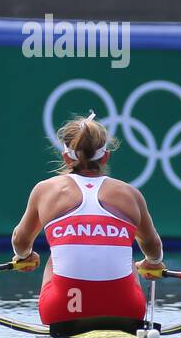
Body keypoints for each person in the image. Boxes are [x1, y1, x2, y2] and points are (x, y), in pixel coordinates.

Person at [10, 113, 164, 324]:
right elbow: (153, 245)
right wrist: (153, 263)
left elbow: (20, 240)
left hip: (62, 310)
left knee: (54, 258)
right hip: (126, 309)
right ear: (105, 156)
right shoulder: (130, 194)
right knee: (129, 257)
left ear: (65, 157)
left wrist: (25, 256)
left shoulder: (44, 190)